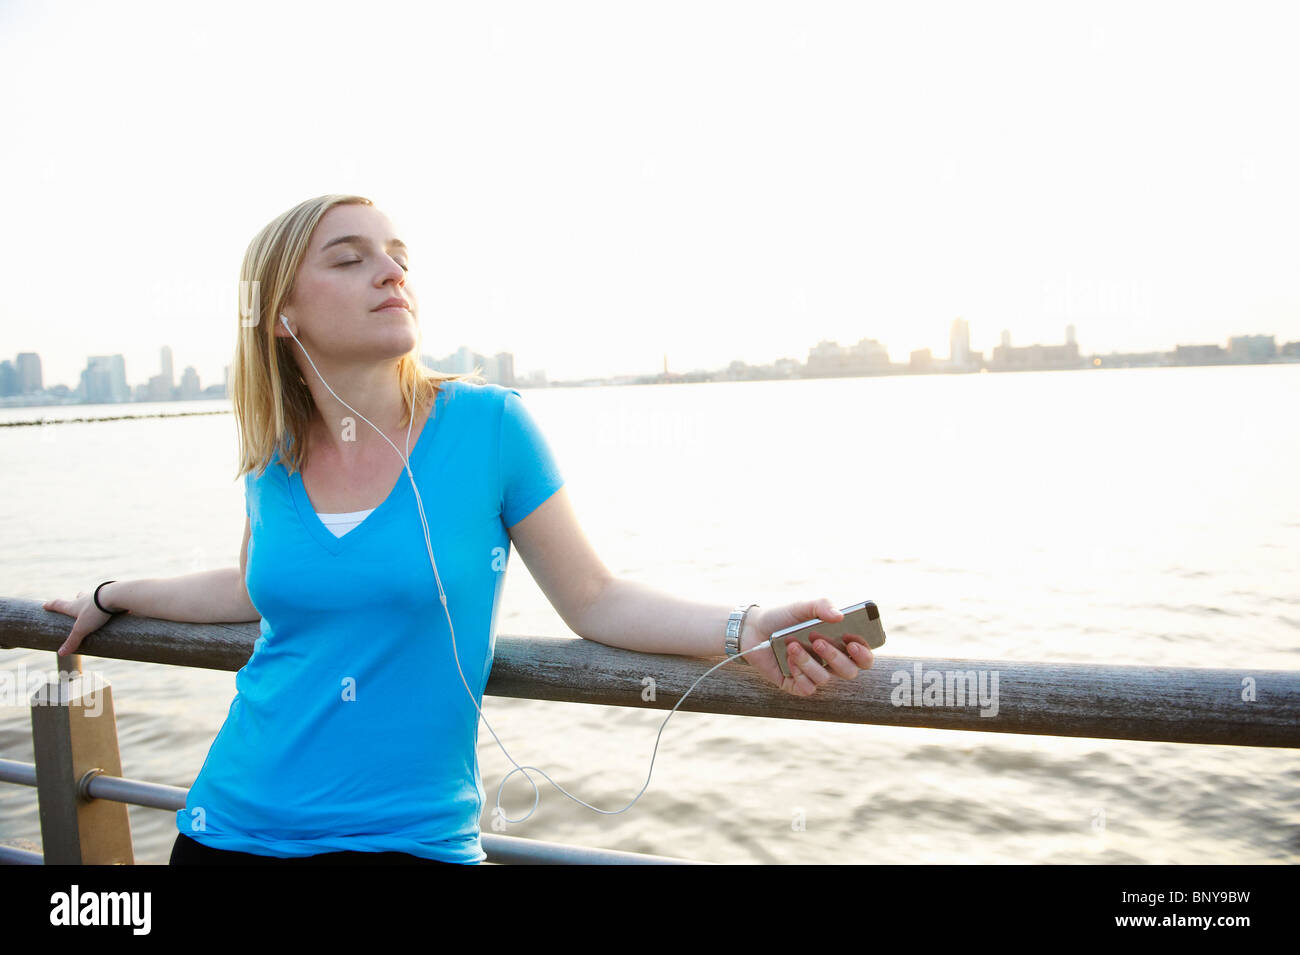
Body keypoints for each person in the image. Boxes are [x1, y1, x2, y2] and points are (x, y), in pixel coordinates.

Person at [43, 193, 875, 865]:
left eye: (398, 256)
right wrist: (115, 594)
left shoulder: (488, 427)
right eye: (350, 258)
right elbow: (254, 588)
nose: (391, 272)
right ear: (283, 317)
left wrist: (742, 628)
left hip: (414, 842)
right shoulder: (275, 460)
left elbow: (595, 597)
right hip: (231, 827)